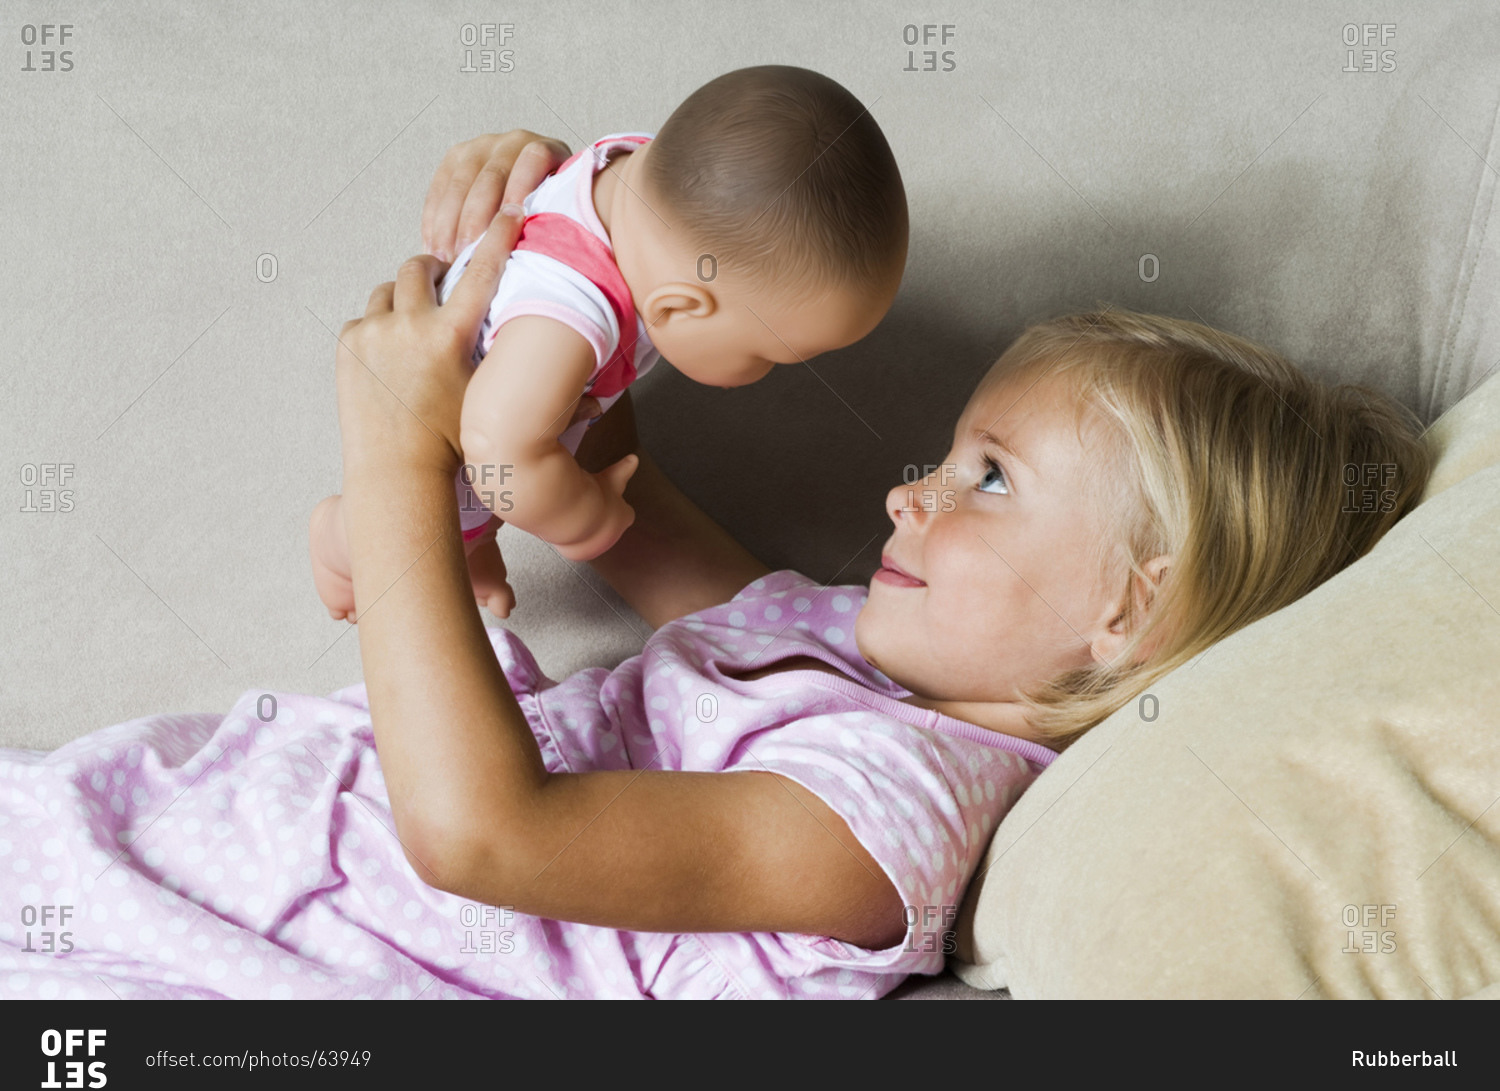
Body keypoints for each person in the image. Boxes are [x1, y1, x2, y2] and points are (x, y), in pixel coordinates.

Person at [0, 132, 1428, 1000]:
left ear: (1129, 606)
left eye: (988, 476)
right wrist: (585, 236)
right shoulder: (853, 652)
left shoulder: (893, 815)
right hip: (236, 819)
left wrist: (388, 459)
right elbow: (608, 498)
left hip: (301, 946)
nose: (908, 488)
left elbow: (483, 839)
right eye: (947, 454)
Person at [309, 66, 907, 621]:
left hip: (506, 399)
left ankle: (472, 551)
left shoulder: (640, 176)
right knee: (447, 514)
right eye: (769, 357)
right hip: (445, 438)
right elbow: (499, 453)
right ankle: (337, 542)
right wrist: (579, 517)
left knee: (478, 519)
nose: (768, 377)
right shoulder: (571, 317)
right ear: (678, 306)